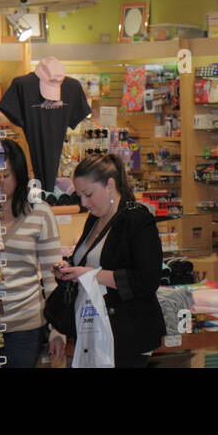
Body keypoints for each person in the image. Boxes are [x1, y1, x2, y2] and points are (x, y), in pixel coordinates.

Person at [52, 153, 164, 367]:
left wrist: (90, 275)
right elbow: (90, 261)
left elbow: (146, 280)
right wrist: (70, 269)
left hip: (126, 334)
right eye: (79, 196)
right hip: (93, 330)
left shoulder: (137, 219)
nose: (84, 203)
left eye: (88, 194)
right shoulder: (95, 219)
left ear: (110, 185)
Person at [0, 140, 67, 368]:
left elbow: (53, 276)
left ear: (19, 175)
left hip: (24, 326)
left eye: (5, 175)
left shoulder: (39, 213)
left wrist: (58, 329)